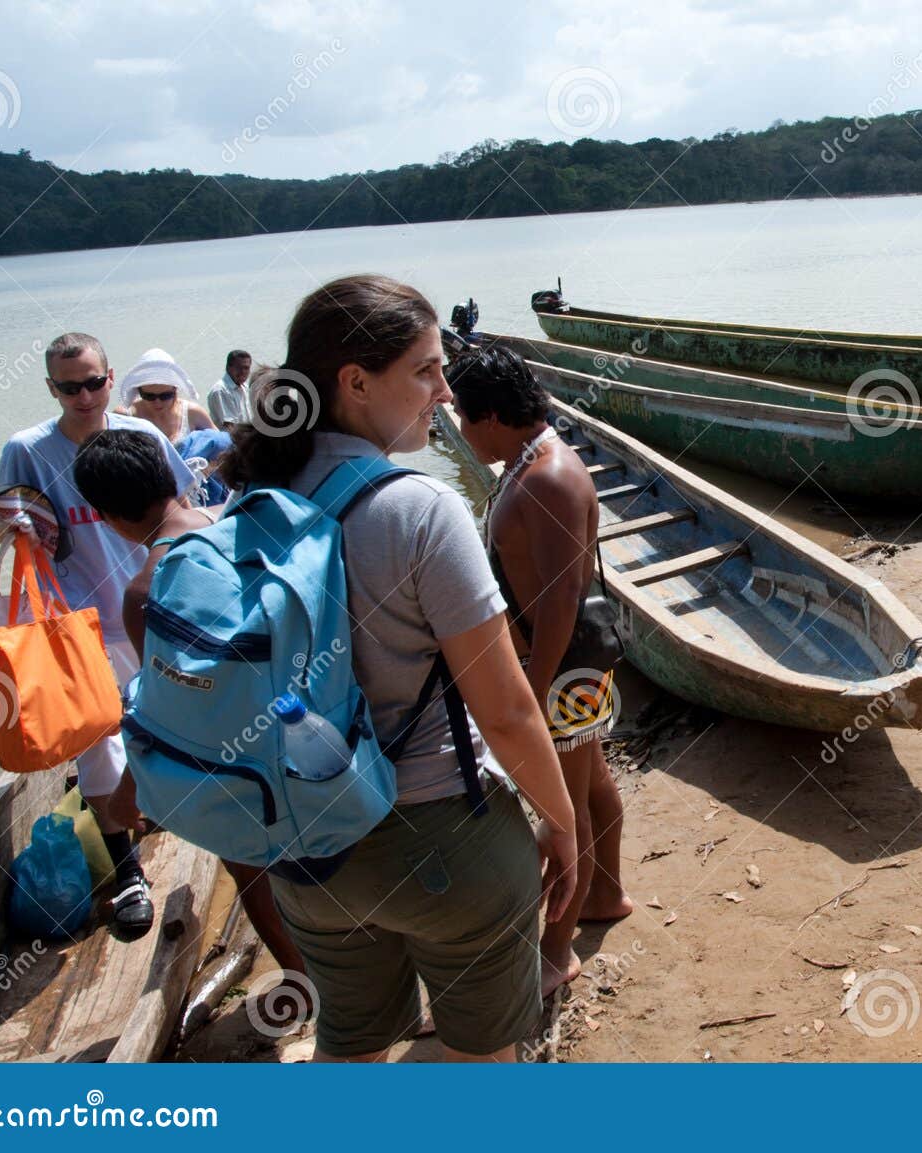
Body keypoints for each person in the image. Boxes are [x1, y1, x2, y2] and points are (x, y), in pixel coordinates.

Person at [217, 275, 578, 1062]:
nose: (445, 390)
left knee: (350, 1049)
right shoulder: (419, 508)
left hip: (308, 853)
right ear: (354, 382)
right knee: (476, 1060)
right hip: (441, 840)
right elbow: (508, 713)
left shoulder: (250, 498)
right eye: (424, 370)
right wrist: (562, 822)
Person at [0, 333, 198, 941]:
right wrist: (17, 527)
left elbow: (180, 506)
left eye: (94, 382)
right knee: (96, 741)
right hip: (77, 624)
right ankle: (128, 870)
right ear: (52, 389)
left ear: (111, 379)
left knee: (166, 718)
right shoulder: (27, 450)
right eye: (69, 386)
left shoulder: (146, 438)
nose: (84, 396)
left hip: (154, 606)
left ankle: (177, 812)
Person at [71, 429, 305, 977]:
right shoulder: (241, 520)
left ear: (104, 515)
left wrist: (129, 794)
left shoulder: (145, 590)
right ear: (171, 476)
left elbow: (165, 710)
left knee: (255, 882)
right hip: (304, 732)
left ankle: (310, 985)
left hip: (236, 767)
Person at [449, 346, 631, 999]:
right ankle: (604, 894)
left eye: (465, 422)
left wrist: (533, 680)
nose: (463, 437)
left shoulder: (548, 476)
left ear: (493, 416)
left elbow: (558, 598)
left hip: (565, 664)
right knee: (593, 782)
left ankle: (557, 951)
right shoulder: (532, 461)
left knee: (566, 805)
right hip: (576, 661)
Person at [121, 349, 230, 506]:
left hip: (193, 500)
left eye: (165, 396)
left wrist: (202, 470)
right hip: (148, 501)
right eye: (149, 396)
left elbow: (224, 451)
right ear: (139, 390)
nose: (157, 403)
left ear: (175, 389)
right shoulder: (126, 416)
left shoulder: (193, 413)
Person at [208, 350, 252, 428]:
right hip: (230, 439)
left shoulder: (245, 388)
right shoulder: (221, 390)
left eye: (246, 368)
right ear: (228, 367)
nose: (243, 372)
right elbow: (230, 427)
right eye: (239, 368)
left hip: (246, 438)